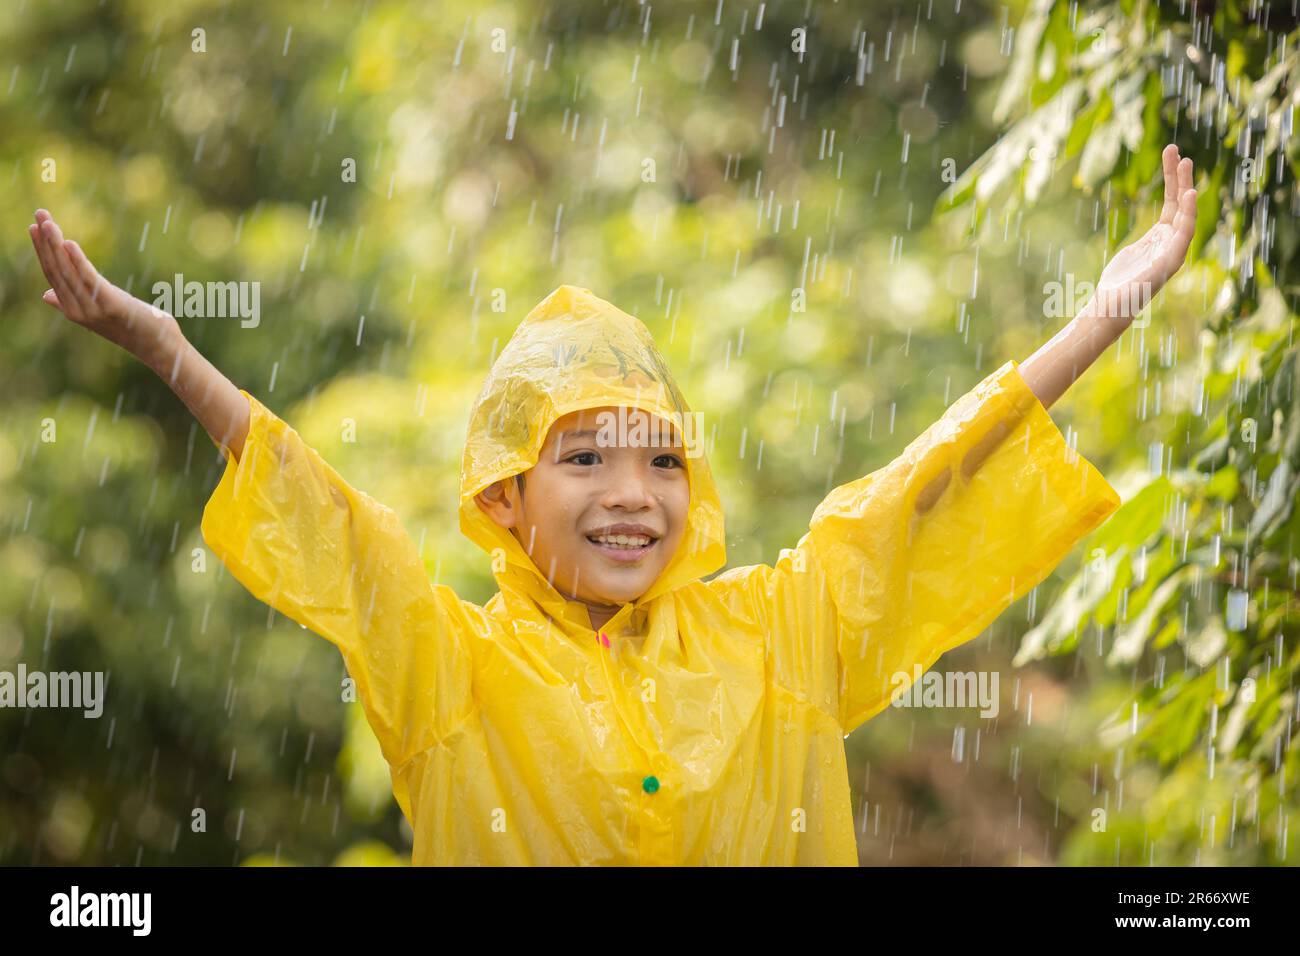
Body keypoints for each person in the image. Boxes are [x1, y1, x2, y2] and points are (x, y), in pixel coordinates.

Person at [26, 145, 1198, 865]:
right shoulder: (449, 666)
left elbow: (929, 483)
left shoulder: (781, 633)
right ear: (505, 495)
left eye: (664, 461)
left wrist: (1100, 315)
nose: (634, 495)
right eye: (584, 460)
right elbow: (335, 528)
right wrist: (171, 350)